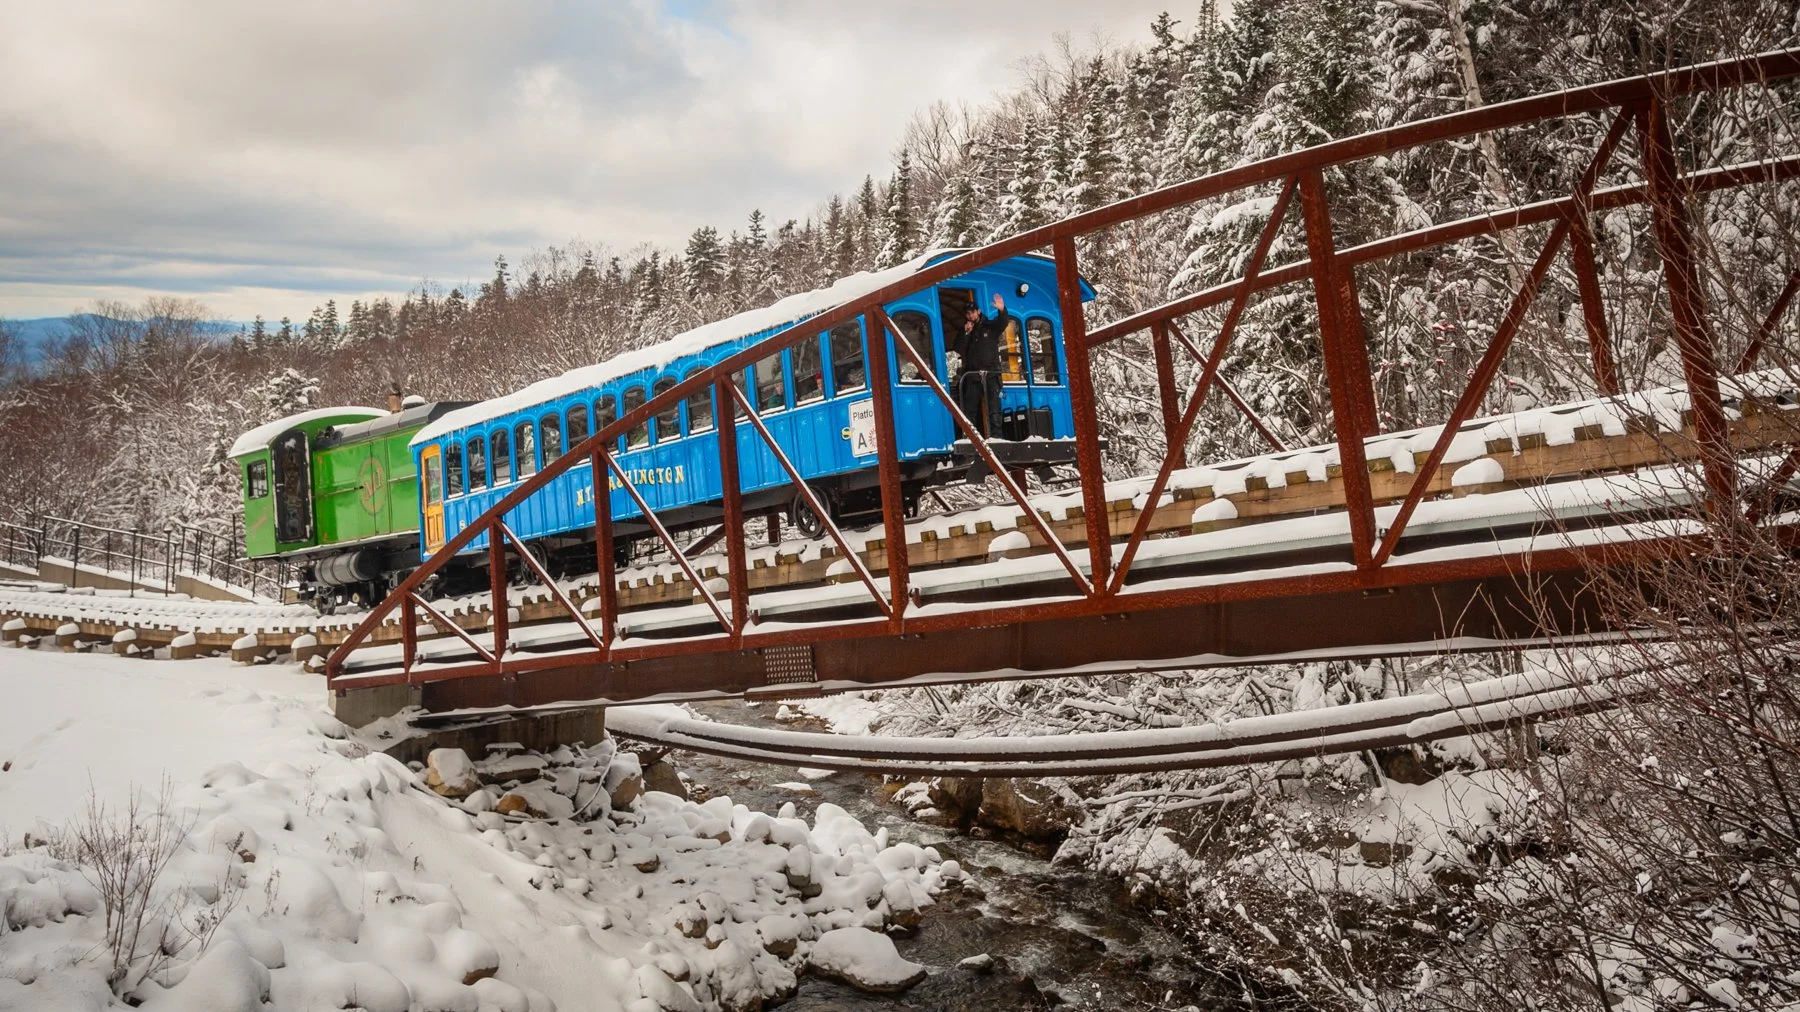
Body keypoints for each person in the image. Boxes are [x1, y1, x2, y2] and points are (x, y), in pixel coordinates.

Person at [950, 293, 1007, 437]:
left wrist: (1002, 310)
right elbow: (957, 347)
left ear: (978, 312)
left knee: (994, 409)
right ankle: (972, 439)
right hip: (973, 375)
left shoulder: (990, 326)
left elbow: (1002, 323)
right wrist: (966, 333)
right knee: (970, 411)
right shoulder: (966, 330)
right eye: (968, 313)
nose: (970, 316)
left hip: (991, 374)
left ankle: (997, 439)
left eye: (972, 312)